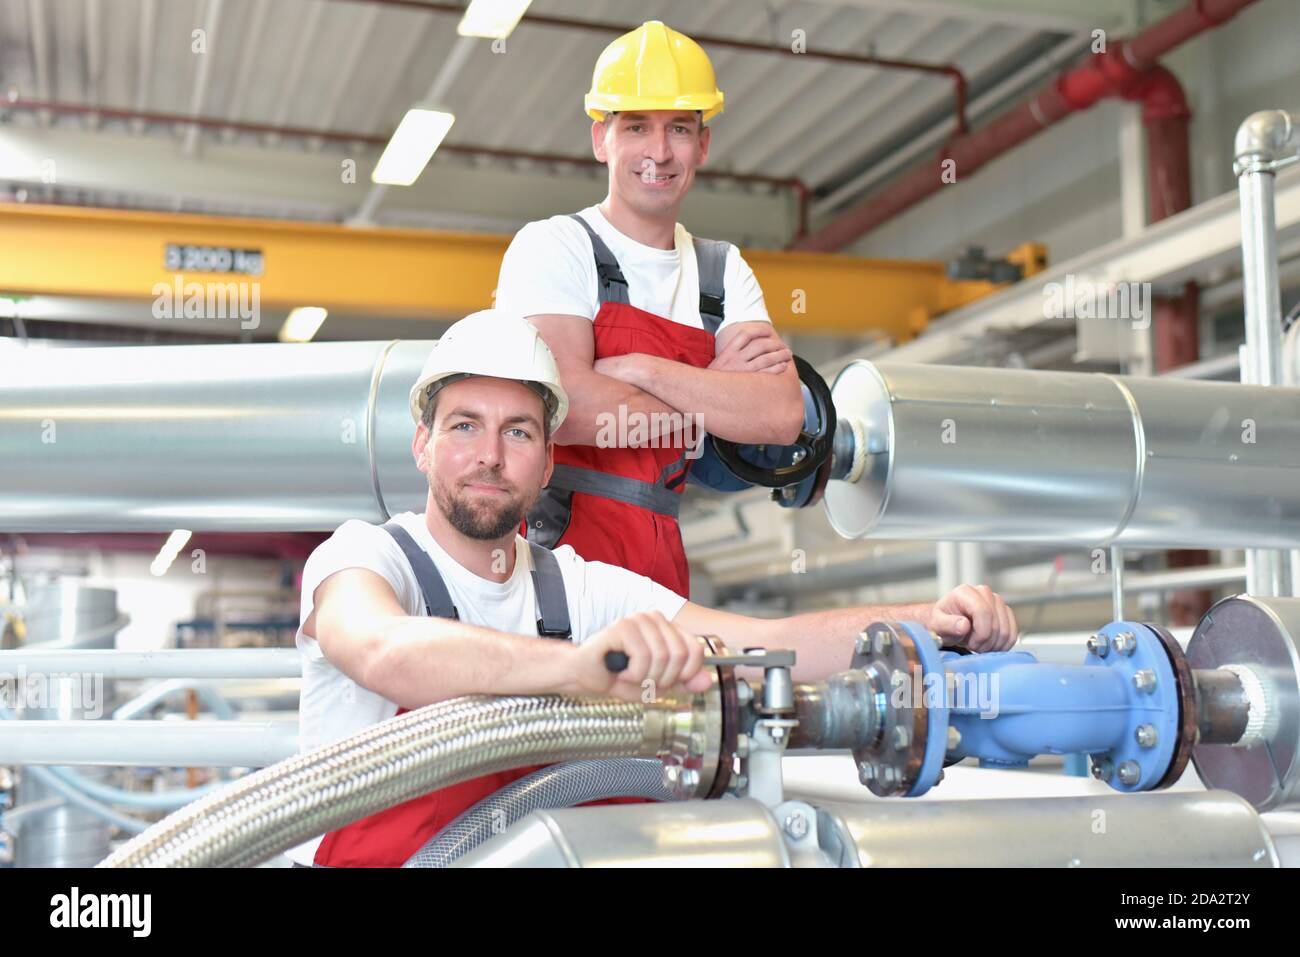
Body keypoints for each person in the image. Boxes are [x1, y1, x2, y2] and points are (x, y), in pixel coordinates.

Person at [287, 311, 1019, 867]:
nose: (488, 455)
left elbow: (767, 644)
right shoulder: (365, 556)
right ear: (422, 445)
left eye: (518, 432)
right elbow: (384, 650)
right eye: (463, 426)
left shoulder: (570, 588)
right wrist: (579, 669)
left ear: (547, 463)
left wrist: (928, 619)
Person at [494, 20, 804, 597]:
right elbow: (561, 408)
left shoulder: (721, 269)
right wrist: (714, 398)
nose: (659, 152)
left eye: (679, 129)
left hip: (662, 560)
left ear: (703, 145)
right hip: (552, 562)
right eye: (637, 126)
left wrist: (641, 370)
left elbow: (781, 417)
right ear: (601, 139)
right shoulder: (555, 246)